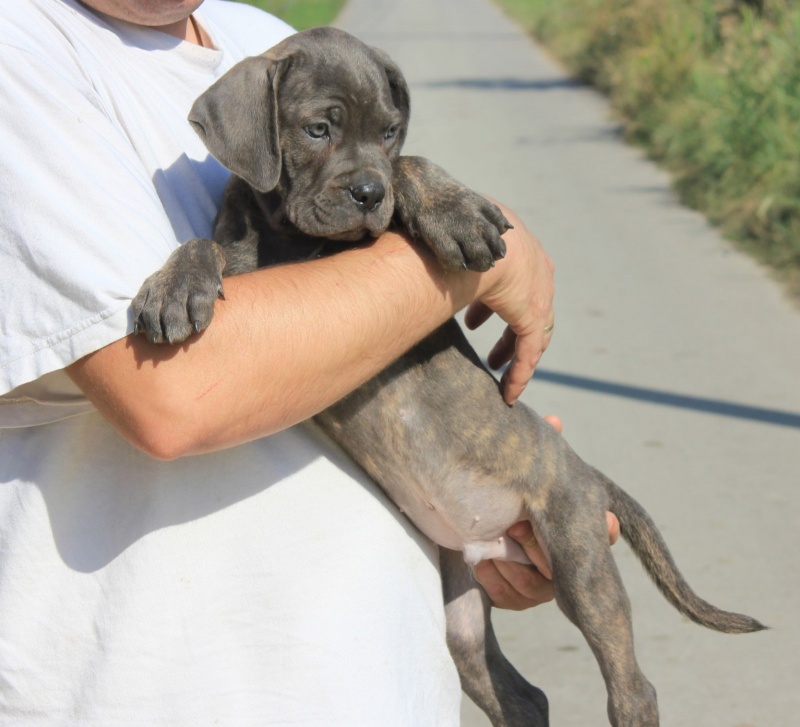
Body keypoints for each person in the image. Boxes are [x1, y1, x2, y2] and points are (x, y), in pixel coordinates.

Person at [0, 1, 617, 724]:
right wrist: (473, 272)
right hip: (172, 688)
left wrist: (484, 513)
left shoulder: (262, 38)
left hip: (384, 678)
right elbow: (174, 394)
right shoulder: (23, 51)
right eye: (318, 132)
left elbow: (359, 293)